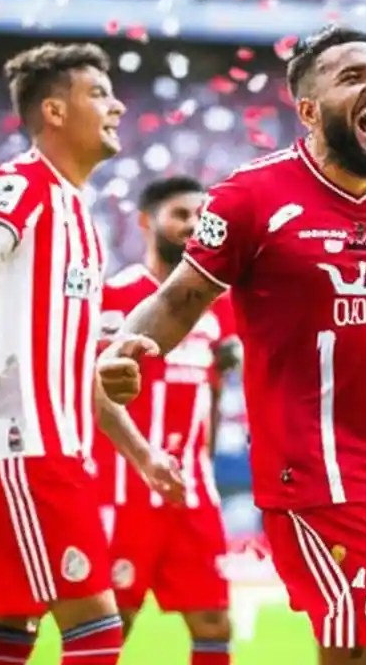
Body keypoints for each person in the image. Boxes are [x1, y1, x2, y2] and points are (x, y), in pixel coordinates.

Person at [100, 25, 366, 665]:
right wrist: (126, 347)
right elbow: (180, 298)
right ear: (308, 109)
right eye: (352, 77)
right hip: (319, 479)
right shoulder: (250, 198)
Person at [0, 42, 183, 665]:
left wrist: (142, 454)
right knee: (96, 626)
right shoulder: (24, 181)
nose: (117, 104)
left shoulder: (83, 225)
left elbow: (81, 374)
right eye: (98, 93)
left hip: (56, 447)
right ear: (54, 111)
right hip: (22, 443)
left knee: (9, 627)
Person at [91, 176, 242, 664]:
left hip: (192, 491)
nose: (192, 226)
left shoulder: (218, 308)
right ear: (145, 222)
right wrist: (140, 456)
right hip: (125, 490)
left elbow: (213, 398)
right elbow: (90, 393)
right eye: (180, 215)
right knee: (112, 622)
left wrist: (206, 463)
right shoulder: (112, 298)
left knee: (214, 622)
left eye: (201, 216)